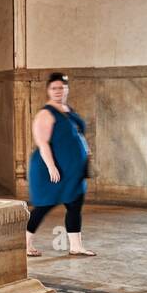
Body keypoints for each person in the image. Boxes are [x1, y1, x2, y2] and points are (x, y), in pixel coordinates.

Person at [26, 72, 96, 258]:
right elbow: (43, 143)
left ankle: (76, 246)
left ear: (67, 89)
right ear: (48, 90)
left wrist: (86, 152)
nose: (58, 91)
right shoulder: (45, 113)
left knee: (74, 205)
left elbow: (77, 134)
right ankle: (24, 244)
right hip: (51, 169)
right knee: (43, 206)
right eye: (54, 88)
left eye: (61, 87)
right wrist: (51, 167)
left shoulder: (68, 110)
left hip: (72, 171)